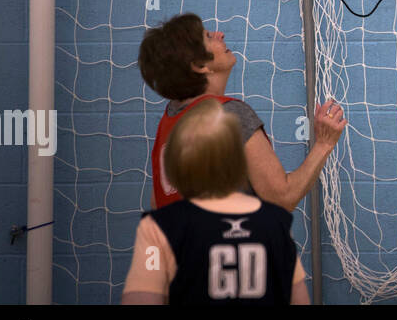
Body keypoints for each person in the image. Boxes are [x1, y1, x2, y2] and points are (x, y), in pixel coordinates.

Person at [138, 12, 346, 211]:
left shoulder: (170, 118)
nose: (220, 34)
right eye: (209, 37)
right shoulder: (229, 115)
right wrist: (324, 143)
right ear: (200, 66)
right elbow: (283, 199)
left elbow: (158, 203)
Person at [121, 98, 309, 304]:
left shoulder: (158, 227)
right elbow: (299, 299)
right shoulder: (276, 224)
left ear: (174, 166)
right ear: (240, 165)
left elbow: (142, 298)